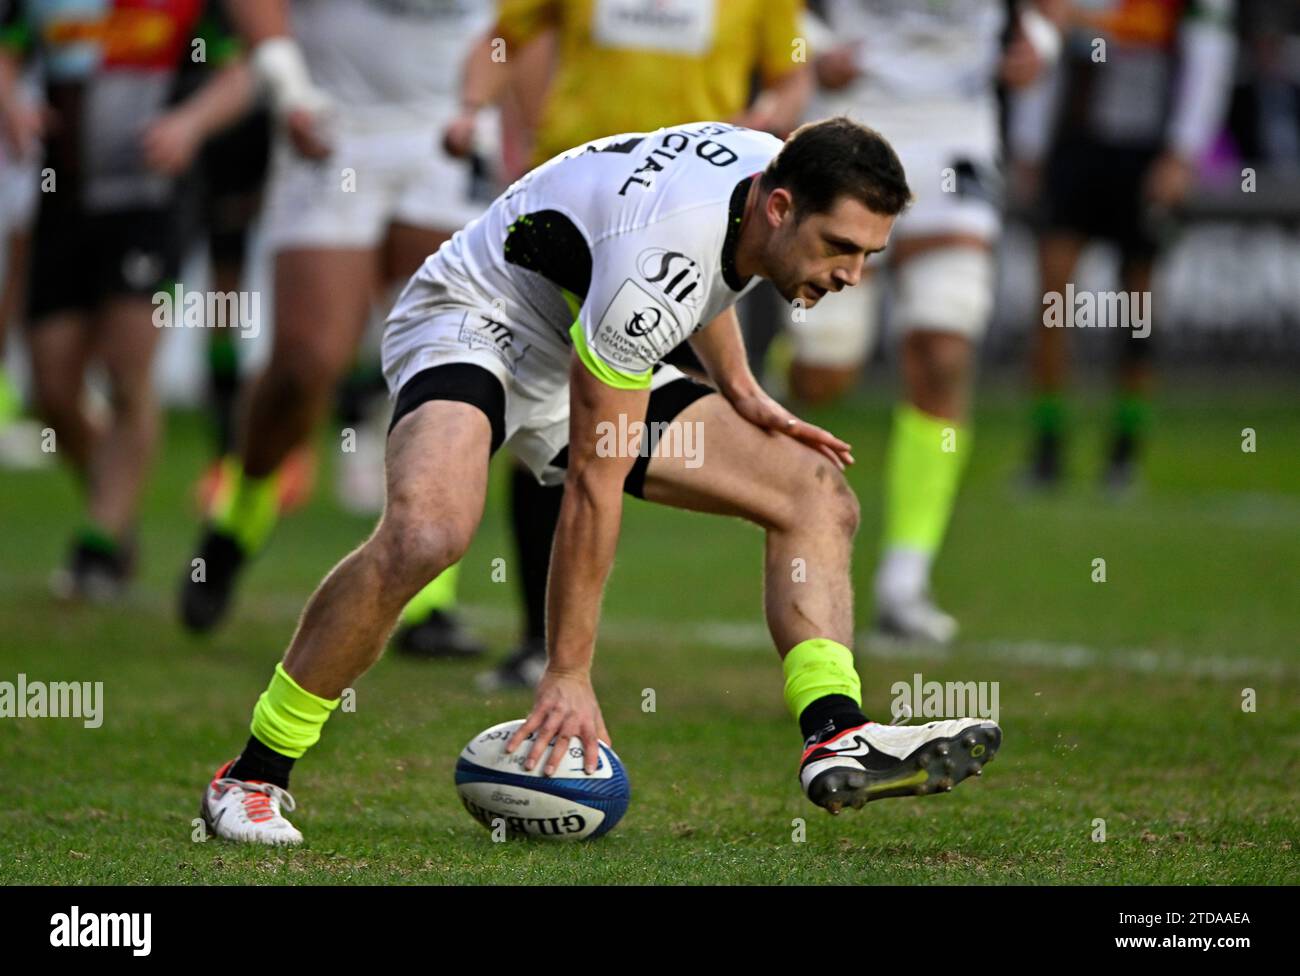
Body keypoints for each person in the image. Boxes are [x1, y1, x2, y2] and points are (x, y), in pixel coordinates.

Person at [199, 117, 1002, 845]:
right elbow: (592, 480)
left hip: (588, 322)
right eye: (840, 248)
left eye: (869, 255)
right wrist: (568, 674)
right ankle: (254, 772)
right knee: (426, 533)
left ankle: (837, 732)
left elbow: (710, 273)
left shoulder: (765, 182)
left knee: (814, 490)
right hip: (476, 319)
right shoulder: (661, 257)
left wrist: (742, 386)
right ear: (782, 207)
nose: (853, 274)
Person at [444, 0, 813, 690]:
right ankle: (541, 642)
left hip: (699, 218)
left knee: (625, 436)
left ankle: (561, 655)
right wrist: (471, 109)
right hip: (579, 214)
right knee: (556, 428)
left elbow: (792, 73)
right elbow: (503, 39)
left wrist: (764, 119)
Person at [179, 0, 497, 659]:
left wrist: (502, 117)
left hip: (448, 132)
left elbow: (522, 26)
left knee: (456, 358)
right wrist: (289, 87)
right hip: (333, 127)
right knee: (305, 362)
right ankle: (240, 513)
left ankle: (429, 597)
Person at [783, 0, 1064, 643]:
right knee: (827, 366)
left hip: (955, 130)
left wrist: (1040, 45)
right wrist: (809, 45)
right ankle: (779, 379)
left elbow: (1049, 15)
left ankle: (905, 580)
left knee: (945, 344)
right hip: (853, 121)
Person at [0, 0, 252, 599]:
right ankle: (110, 501)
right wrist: (13, 105)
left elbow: (241, 72)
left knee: (126, 366)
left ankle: (101, 544)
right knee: (51, 389)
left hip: (153, 202)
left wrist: (189, 123)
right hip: (62, 200)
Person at [1017, 0, 1236, 490]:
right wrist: (1029, 144)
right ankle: (1048, 446)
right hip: (1077, 146)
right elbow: (1043, 46)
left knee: (1138, 306)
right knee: (1053, 295)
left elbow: (1209, 56)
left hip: (1146, 151)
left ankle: (1123, 450)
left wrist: (1184, 152)